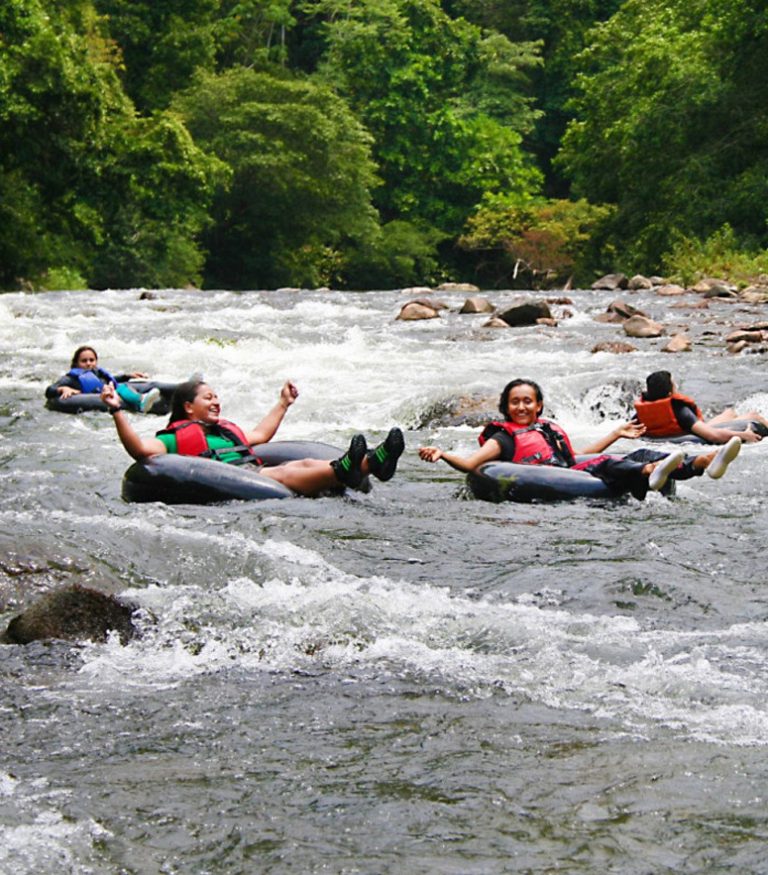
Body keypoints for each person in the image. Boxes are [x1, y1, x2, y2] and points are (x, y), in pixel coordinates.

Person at [419, 378, 742, 500]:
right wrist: (442, 454)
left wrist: (615, 434)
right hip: (542, 476)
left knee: (641, 450)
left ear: (539, 405)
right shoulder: (503, 438)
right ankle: (649, 473)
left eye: (527, 401)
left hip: (567, 468)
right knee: (613, 464)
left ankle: (702, 462)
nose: (521, 407)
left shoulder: (547, 428)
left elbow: (577, 456)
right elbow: (471, 465)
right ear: (506, 406)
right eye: (515, 402)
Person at [101, 378, 405, 497]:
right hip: (230, 478)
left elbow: (260, 435)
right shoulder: (172, 439)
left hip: (251, 471)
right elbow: (140, 450)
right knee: (288, 471)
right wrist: (117, 411)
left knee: (306, 461)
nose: (217, 401)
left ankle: (372, 464)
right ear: (188, 407)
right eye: (208, 397)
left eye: (217, 396)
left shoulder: (225, 432)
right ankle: (347, 468)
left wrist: (283, 403)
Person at [634, 370, 766, 443]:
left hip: (679, 433)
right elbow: (713, 436)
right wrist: (744, 435)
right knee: (753, 416)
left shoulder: (641, 413)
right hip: (691, 433)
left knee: (729, 413)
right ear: (670, 392)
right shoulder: (679, 410)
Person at [46, 345, 162, 413]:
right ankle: (141, 400)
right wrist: (63, 389)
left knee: (122, 386)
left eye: (92, 360)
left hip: (105, 392)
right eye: (84, 361)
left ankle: (142, 399)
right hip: (92, 399)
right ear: (76, 363)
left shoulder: (97, 373)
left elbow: (110, 380)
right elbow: (50, 390)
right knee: (120, 389)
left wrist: (127, 376)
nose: (88, 363)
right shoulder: (71, 378)